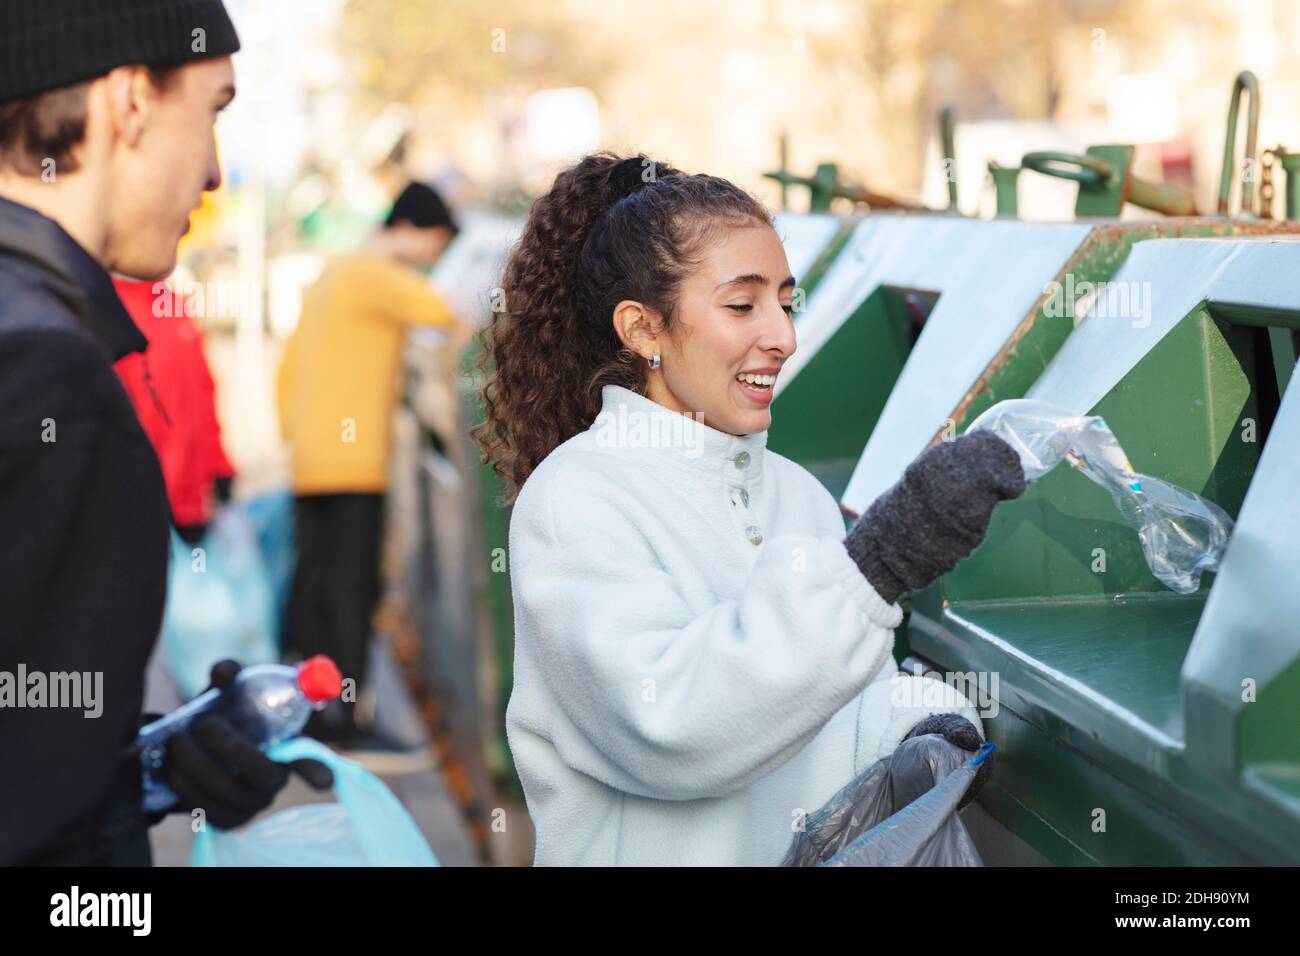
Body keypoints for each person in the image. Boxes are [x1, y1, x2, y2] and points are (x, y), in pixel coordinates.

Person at [475, 152, 1027, 866]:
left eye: (787, 302)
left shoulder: (795, 494)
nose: (784, 337)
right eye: (742, 306)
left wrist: (925, 725)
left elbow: (837, 712)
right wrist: (874, 569)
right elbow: (669, 727)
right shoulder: (577, 499)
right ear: (643, 330)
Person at [0, 0, 326, 866]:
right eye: (213, 109)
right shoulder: (47, 372)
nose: (216, 171)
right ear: (130, 101)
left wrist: (141, 758)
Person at [277, 181, 469, 747]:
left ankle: (314, 711)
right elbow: (452, 318)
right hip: (355, 462)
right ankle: (348, 721)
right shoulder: (379, 276)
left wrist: (294, 434)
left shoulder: (333, 272)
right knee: (353, 592)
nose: (437, 257)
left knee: (317, 588)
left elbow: (286, 370)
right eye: (437, 242)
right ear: (412, 230)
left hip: (311, 458)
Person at [113, 277, 236, 545]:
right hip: (141, 499)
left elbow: (203, 391)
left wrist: (219, 466)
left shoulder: (173, 305)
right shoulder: (109, 308)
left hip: (191, 498)